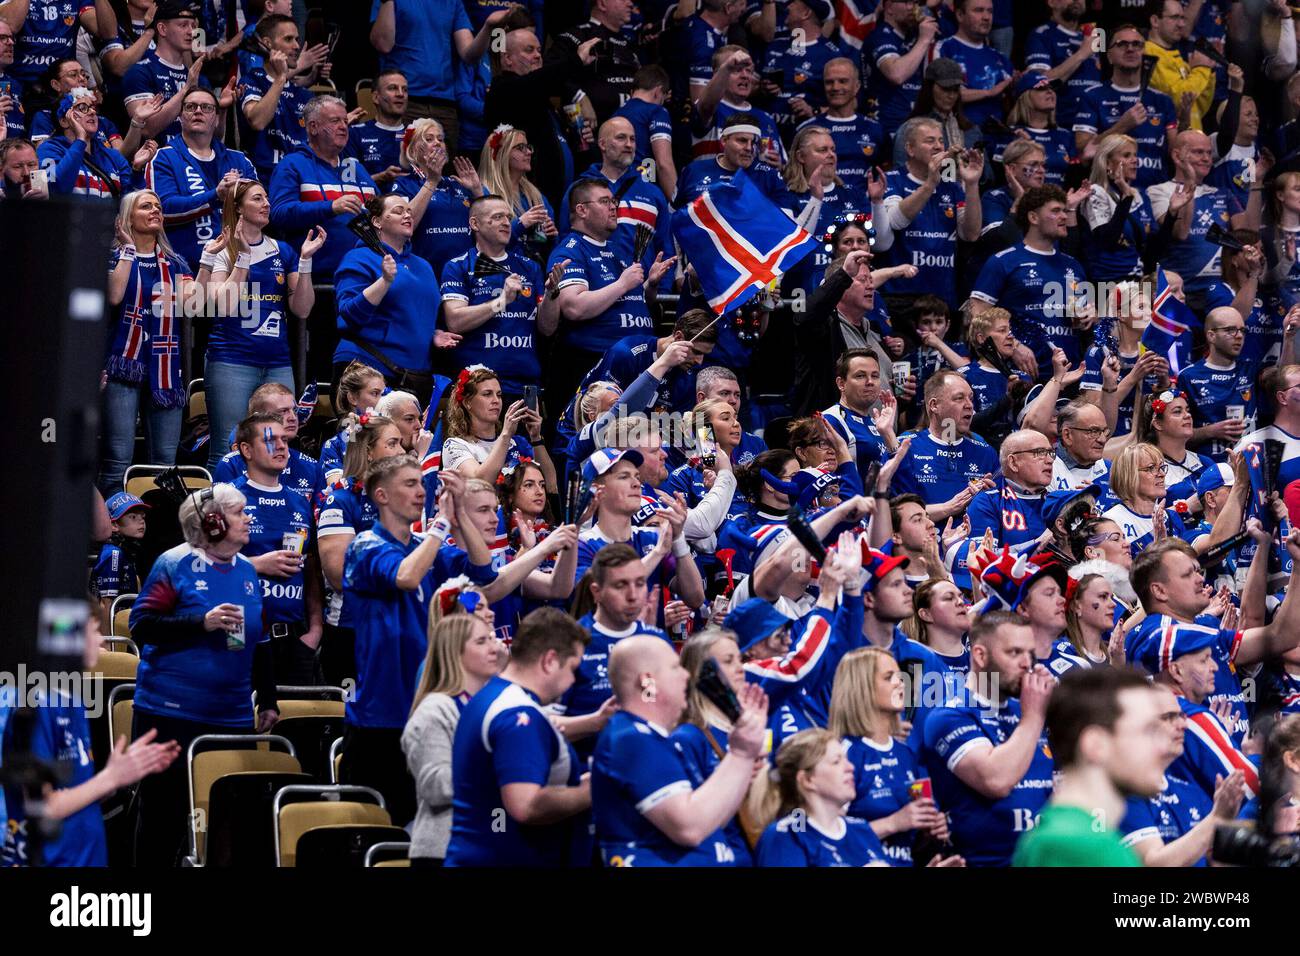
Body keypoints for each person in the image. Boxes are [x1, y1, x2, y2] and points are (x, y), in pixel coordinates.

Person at [127, 482, 280, 866]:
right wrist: (201, 623)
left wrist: (268, 696)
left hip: (230, 716)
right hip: (170, 714)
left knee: (228, 824)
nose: (249, 518)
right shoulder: (173, 563)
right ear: (212, 522)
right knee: (163, 821)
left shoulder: (246, 570)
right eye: (240, 512)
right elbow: (142, 625)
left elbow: (256, 639)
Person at [341, 456, 494, 827]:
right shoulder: (365, 544)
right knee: (380, 834)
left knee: (423, 825)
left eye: (421, 483)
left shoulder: (427, 548)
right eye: (409, 483)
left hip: (424, 706)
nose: (421, 491)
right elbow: (406, 577)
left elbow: (483, 568)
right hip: (380, 719)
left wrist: (457, 515)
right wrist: (441, 525)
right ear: (381, 495)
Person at [0, 603, 180, 867]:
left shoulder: (72, 699)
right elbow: (42, 806)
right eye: (94, 631)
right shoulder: (37, 703)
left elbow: (75, 791)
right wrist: (110, 778)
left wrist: (122, 775)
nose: (102, 640)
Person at [591, 633, 769, 866]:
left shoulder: (656, 738)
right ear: (648, 682)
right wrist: (741, 754)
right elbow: (689, 827)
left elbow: (713, 817)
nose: (686, 674)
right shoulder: (632, 739)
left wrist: (743, 763)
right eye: (675, 667)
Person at [445, 607, 593, 866]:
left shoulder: (494, 696)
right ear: (549, 661)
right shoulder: (517, 714)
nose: (574, 681)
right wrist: (596, 788)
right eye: (573, 668)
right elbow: (525, 805)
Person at [920, 610, 1056, 867]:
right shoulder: (950, 715)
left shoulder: (1025, 709)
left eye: (1030, 653)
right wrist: (1036, 716)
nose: (1027, 663)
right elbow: (996, 779)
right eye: (1015, 653)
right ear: (980, 655)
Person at [200, 179, 320, 468]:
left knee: (278, 444)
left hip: (277, 362)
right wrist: (242, 257)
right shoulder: (221, 248)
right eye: (257, 199)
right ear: (238, 208)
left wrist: (305, 262)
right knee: (226, 447)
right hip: (231, 360)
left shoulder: (283, 251)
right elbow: (225, 305)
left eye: (267, 197)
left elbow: (302, 309)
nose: (266, 203)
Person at [97, 188, 197, 495]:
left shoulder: (176, 263)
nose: (155, 210)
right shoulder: (111, 256)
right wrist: (128, 250)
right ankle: (111, 531)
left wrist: (206, 262)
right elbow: (114, 296)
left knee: (165, 462)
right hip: (121, 366)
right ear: (127, 217)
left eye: (157, 206)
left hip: (165, 370)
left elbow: (194, 305)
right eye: (145, 206)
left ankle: (155, 530)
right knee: (118, 459)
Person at [1012, 667, 1163, 866]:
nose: (1162, 746)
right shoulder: (1085, 848)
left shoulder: (1057, 834)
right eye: (1149, 731)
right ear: (1095, 745)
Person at [549, 177, 675, 404]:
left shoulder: (617, 249)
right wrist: (622, 284)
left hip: (638, 361)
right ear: (582, 210)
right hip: (597, 364)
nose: (613, 207)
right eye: (605, 201)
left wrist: (651, 285)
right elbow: (573, 307)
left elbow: (632, 300)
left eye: (614, 201)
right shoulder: (570, 251)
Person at [830, 647, 954, 866]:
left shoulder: (906, 754)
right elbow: (825, 834)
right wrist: (894, 823)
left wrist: (930, 831)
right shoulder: (844, 753)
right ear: (861, 689)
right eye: (889, 677)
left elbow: (912, 841)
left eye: (900, 676)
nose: (901, 683)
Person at [230, 412, 323, 685]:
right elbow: (203, 564)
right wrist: (257, 564)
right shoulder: (227, 498)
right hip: (240, 637)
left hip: (295, 640)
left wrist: (315, 629)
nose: (282, 446)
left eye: (284, 439)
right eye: (271, 439)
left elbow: (312, 570)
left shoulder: (300, 503)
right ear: (246, 449)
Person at [402, 614, 502, 867]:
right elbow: (435, 786)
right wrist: (501, 767)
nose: (494, 647)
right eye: (481, 641)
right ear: (455, 652)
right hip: (443, 850)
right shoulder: (435, 710)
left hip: (492, 843)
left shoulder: (495, 705)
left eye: (492, 638)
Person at [315, 413, 404, 686]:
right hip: (351, 630)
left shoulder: (403, 499)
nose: (402, 451)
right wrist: (399, 574)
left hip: (398, 627)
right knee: (351, 720)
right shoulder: (339, 500)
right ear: (368, 452)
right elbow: (340, 575)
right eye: (392, 444)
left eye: (401, 443)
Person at [439, 193, 559, 397]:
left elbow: (547, 328)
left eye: (507, 216)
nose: (506, 222)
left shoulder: (529, 267)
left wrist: (551, 293)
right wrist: (501, 301)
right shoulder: (458, 266)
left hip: (526, 385)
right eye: (497, 217)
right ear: (475, 224)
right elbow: (455, 321)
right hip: (477, 386)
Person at [553, 543, 668, 753]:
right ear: (597, 592)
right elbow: (542, 725)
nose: (633, 595)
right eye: (620, 585)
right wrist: (596, 722)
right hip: (588, 771)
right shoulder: (570, 643)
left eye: (640, 583)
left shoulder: (657, 641)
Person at [969, 184, 1091, 379]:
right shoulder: (1003, 261)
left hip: (1070, 372)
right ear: (1033, 217)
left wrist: (1090, 315)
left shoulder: (1074, 265)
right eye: (1055, 211)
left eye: (1065, 211)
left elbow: (1088, 311)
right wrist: (1013, 346)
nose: (1064, 217)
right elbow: (977, 315)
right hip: (1021, 375)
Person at [1118, 683, 1247, 866]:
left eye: (1181, 715)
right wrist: (1216, 819)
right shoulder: (1125, 792)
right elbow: (1153, 864)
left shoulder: (1191, 791)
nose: (1184, 725)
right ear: (1140, 725)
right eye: (1170, 717)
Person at [482, 18, 600, 206]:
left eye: (539, 50)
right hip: (522, 203)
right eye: (529, 50)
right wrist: (576, 59)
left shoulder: (542, 96)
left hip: (559, 202)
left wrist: (580, 141)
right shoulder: (503, 89)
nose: (538, 56)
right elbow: (537, 81)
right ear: (507, 58)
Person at [333, 193, 439, 399]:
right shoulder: (359, 257)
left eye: (409, 211)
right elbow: (348, 315)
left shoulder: (423, 265)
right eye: (398, 211)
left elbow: (417, 313)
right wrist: (385, 281)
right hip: (368, 367)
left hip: (416, 375)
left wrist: (434, 332)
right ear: (377, 221)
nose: (407, 215)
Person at [367, 0, 508, 151]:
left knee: (444, 170)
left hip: (444, 104)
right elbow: (383, 44)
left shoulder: (453, 2)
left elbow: (469, 55)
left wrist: (488, 27)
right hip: (405, 101)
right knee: (402, 168)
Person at [268, 95, 378, 284]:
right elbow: (278, 214)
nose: (344, 126)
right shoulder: (292, 165)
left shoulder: (356, 168)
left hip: (366, 276)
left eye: (345, 121)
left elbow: (380, 208)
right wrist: (330, 207)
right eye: (335, 121)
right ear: (313, 127)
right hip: (317, 280)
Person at [145, 85, 256, 271]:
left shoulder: (240, 160)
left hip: (237, 268)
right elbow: (163, 210)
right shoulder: (164, 158)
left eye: (206, 107)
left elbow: (259, 209)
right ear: (179, 116)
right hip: (186, 271)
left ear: (216, 118)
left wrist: (239, 197)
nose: (198, 111)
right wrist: (215, 196)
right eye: (190, 107)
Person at [879, 118, 983, 310]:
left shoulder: (952, 187)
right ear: (910, 149)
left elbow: (971, 234)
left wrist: (971, 184)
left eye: (941, 141)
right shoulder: (892, 180)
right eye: (929, 141)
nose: (938, 147)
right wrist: (929, 184)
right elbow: (895, 222)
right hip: (901, 296)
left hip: (942, 297)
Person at [756, 730, 899, 867]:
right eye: (836, 762)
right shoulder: (788, 835)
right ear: (807, 780)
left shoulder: (861, 830)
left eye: (847, 760)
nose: (850, 767)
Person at [558, 116, 672, 276]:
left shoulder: (653, 194)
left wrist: (662, 292)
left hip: (642, 293)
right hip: (592, 290)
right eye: (621, 138)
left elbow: (665, 249)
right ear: (602, 144)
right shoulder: (579, 190)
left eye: (633, 139)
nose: (629, 145)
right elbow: (565, 240)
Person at [1074, 25, 1177, 189]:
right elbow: (1083, 150)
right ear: (1109, 56)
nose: (1130, 49)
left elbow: (1174, 152)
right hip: (1110, 190)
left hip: (1156, 193)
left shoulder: (1162, 100)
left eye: (1137, 45)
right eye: (1122, 44)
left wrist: (1184, 120)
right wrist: (1123, 125)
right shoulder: (1092, 96)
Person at [888, 370, 998, 523]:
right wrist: (950, 507)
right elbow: (892, 512)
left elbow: (1000, 512)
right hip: (923, 545)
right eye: (959, 398)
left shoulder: (986, 452)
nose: (969, 406)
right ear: (934, 405)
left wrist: (988, 498)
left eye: (970, 398)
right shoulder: (905, 446)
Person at [441, 365, 554, 489]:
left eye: (499, 395)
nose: (496, 400)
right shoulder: (455, 446)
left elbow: (550, 485)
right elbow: (480, 483)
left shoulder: (517, 443)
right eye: (487, 394)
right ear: (467, 402)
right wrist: (505, 435)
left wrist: (536, 438)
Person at [212, 382, 325, 503]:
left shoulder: (312, 467)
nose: (293, 417)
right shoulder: (231, 464)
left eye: (294, 410)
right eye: (283, 411)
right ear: (258, 417)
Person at [239, 13, 317, 184]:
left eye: (297, 39)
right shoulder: (252, 80)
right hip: (262, 180)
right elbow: (257, 121)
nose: (297, 46)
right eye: (288, 39)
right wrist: (281, 77)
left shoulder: (304, 95)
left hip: (302, 180)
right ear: (268, 44)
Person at [120, 0, 211, 144]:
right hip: (157, 160)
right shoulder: (139, 72)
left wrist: (223, 111)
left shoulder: (199, 77)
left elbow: (214, 136)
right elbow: (147, 129)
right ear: (162, 29)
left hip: (196, 160)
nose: (191, 32)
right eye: (183, 25)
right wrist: (186, 90)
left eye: (194, 26)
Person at [1176, 307, 1258, 459]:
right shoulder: (1188, 377)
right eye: (1230, 330)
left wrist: (1289, 337)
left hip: (1250, 466)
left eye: (1242, 330)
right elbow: (1174, 435)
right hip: (1207, 470)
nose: (1239, 336)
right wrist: (1210, 431)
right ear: (1211, 336)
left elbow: (1285, 382)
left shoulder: (1251, 370)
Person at [799, 57, 886, 193]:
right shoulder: (806, 130)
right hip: (820, 208)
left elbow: (886, 173)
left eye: (843, 81)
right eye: (829, 82)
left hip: (862, 212)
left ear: (857, 86)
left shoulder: (876, 129)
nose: (835, 87)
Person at [37, 87, 136, 200]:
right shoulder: (47, 150)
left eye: (92, 107)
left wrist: (137, 170)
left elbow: (129, 203)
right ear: (64, 121)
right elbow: (55, 189)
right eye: (83, 108)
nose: (93, 112)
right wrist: (80, 140)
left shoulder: (114, 157)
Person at [477, 124, 556, 261]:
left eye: (528, 147)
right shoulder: (484, 194)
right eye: (520, 148)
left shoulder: (535, 196)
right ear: (502, 154)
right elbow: (486, 245)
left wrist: (552, 237)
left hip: (533, 272)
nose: (529, 152)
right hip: (498, 272)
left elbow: (548, 248)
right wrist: (521, 224)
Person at [933, 0, 1014, 129]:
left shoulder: (1000, 58)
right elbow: (941, 94)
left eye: (990, 11)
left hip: (996, 139)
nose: (986, 17)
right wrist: (989, 93)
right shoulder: (944, 48)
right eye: (979, 10)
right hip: (958, 134)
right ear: (960, 15)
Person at [864, 0, 939, 138]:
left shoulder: (914, 35)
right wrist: (924, 40)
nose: (912, 7)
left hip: (914, 125)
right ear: (889, 7)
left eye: (915, 2)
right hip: (886, 128)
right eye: (906, 2)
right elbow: (896, 74)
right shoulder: (880, 36)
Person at [1023, 0, 1102, 131]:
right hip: (1061, 123)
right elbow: (1039, 83)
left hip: (1095, 122)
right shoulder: (1041, 35)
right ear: (1052, 2)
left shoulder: (1093, 36)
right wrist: (1081, 54)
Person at [1144, 0, 1217, 132]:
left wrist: (1208, 72)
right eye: (1175, 18)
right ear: (1155, 21)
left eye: (1183, 18)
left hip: (1192, 137)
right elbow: (1179, 98)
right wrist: (1201, 69)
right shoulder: (1148, 53)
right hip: (1171, 141)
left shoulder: (1177, 57)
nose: (1182, 24)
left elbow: (1198, 107)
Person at [1000, 73, 1077, 187]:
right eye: (1041, 88)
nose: (1050, 91)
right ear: (1025, 96)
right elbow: (1000, 176)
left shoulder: (1065, 135)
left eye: (1051, 88)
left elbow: (1074, 177)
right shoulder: (1009, 133)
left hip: (1060, 199)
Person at [612, 64, 677, 199]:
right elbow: (664, 163)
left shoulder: (615, 116)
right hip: (642, 192)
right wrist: (677, 204)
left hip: (614, 190)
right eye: (663, 98)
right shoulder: (657, 111)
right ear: (658, 92)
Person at [91, 491, 149, 628]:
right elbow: (106, 604)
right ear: (114, 525)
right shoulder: (114, 554)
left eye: (143, 516)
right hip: (112, 630)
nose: (141, 521)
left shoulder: (127, 552)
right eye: (133, 517)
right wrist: (108, 644)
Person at [348, 69, 407, 185]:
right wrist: (379, 178)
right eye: (392, 88)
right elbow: (348, 183)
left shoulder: (417, 135)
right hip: (370, 201)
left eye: (405, 89)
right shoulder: (356, 133)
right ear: (376, 97)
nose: (401, 94)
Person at [1060, 573, 1117, 670]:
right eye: (1103, 596)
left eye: (1111, 598)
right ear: (1077, 606)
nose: (1113, 604)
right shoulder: (1062, 654)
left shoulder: (1114, 654)